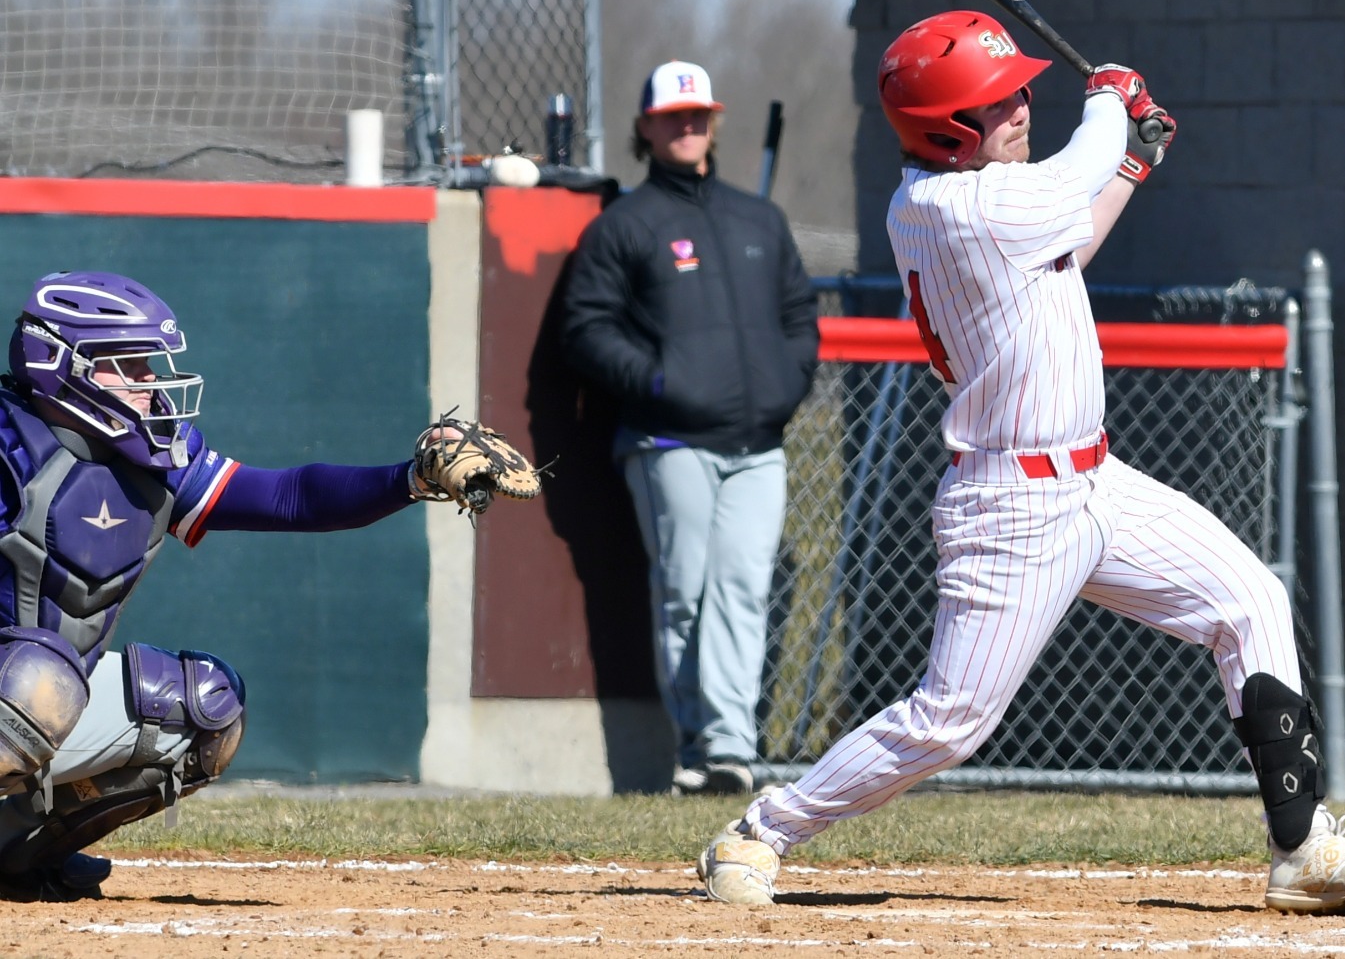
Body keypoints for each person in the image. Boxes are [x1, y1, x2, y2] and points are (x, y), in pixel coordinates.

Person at [696, 10, 1345, 915]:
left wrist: (1129, 163)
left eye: (1019, 93)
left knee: (1252, 601)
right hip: (1012, 506)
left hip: (1097, 481)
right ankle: (761, 829)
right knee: (950, 722)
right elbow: (1071, 177)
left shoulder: (987, 201)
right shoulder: (958, 206)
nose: (1021, 108)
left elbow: (1069, 239)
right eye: (996, 102)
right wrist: (1110, 100)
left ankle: (1302, 846)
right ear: (945, 131)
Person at [0, 269, 532, 901]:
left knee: (204, 710)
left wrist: (412, 478)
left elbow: (289, 497)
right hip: (22, 688)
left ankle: (17, 856)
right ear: (60, 364)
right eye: (129, 367)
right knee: (39, 679)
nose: (149, 384)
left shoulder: (157, 457)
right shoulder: (9, 441)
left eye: (148, 365)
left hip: (40, 703)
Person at [562, 60, 819, 796]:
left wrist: (785, 385)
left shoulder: (759, 220)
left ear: (713, 121)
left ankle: (729, 750)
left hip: (757, 445)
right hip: (669, 442)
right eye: (672, 116)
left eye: (698, 114)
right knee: (684, 591)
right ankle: (695, 749)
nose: (687, 126)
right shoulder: (625, 224)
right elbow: (586, 328)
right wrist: (659, 383)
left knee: (741, 587)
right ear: (646, 127)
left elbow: (800, 318)